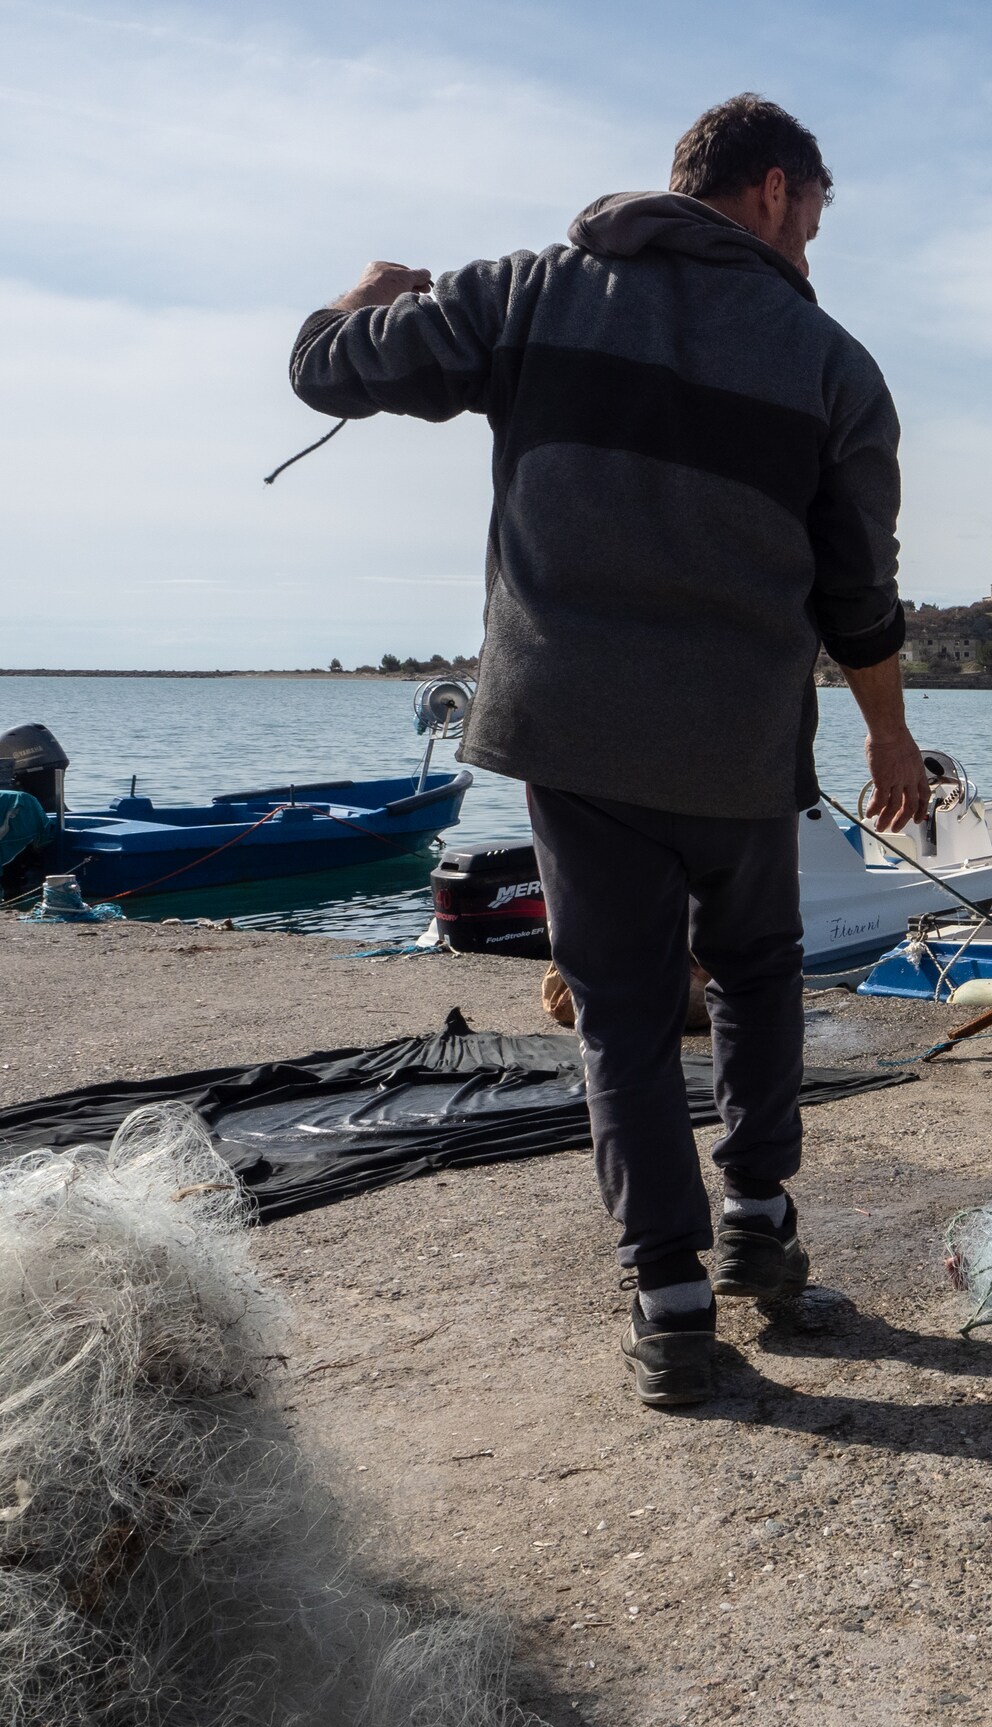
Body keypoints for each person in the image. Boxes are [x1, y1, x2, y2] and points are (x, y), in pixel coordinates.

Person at [289, 94, 929, 1408]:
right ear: (768, 192)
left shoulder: (526, 294)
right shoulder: (834, 367)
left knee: (625, 1013)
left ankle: (672, 1304)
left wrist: (355, 297)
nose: (815, 242)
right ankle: (758, 1221)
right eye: (814, 214)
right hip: (740, 745)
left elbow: (324, 367)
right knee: (756, 976)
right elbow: (859, 593)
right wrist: (889, 733)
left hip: (573, 736)